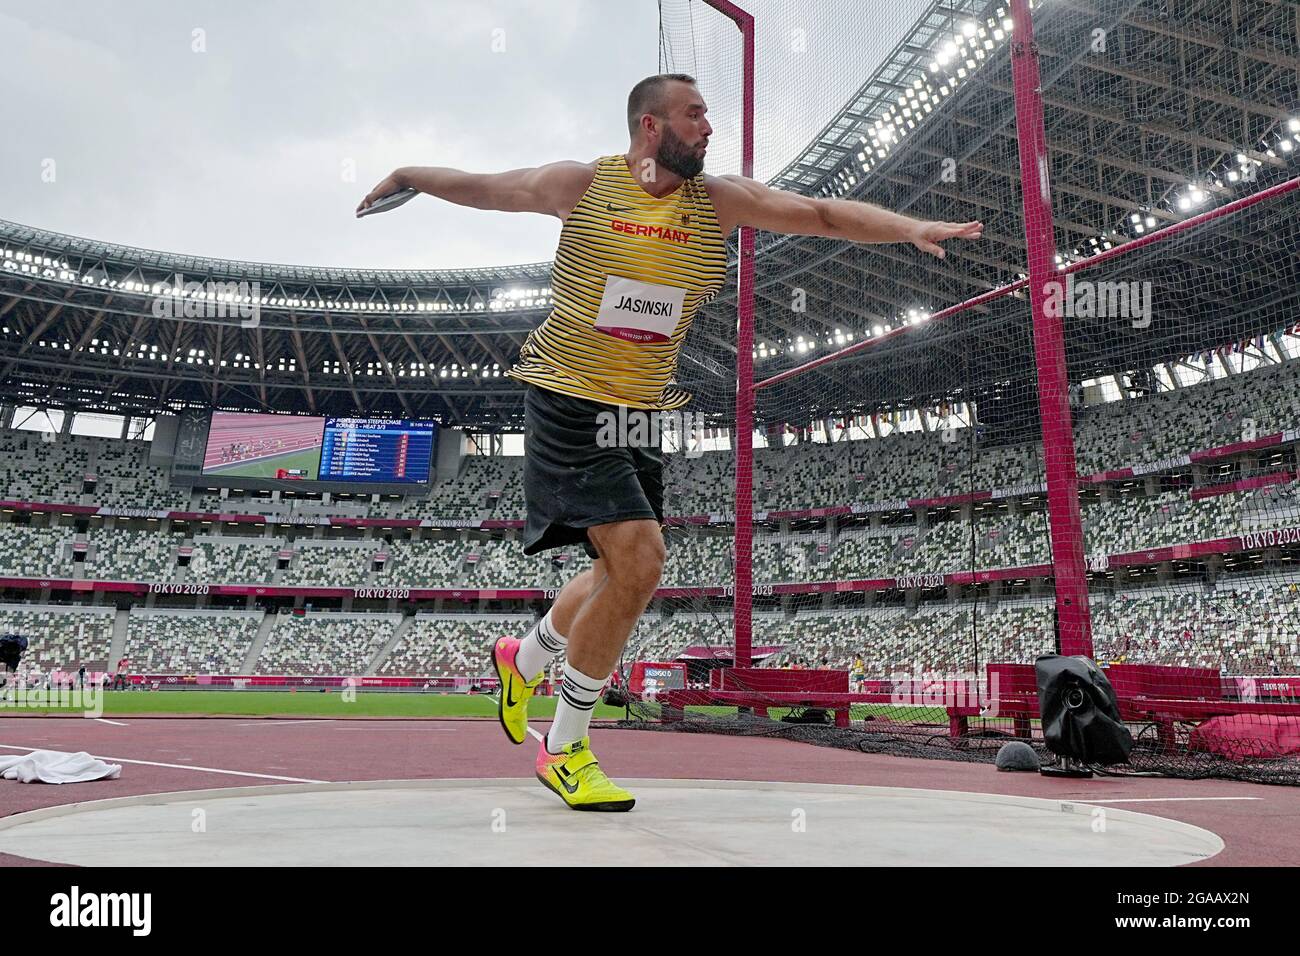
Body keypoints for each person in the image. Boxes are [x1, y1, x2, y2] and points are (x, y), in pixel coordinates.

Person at [359, 73, 980, 812]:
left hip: (638, 411)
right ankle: (564, 749)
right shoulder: (581, 185)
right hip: (569, 395)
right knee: (641, 561)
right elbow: (486, 185)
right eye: (696, 115)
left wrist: (908, 228)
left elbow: (817, 213)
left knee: (611, 571)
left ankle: (521, 658)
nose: (709, 127)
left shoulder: (717, 202)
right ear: (651, 127)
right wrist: (408, 175)